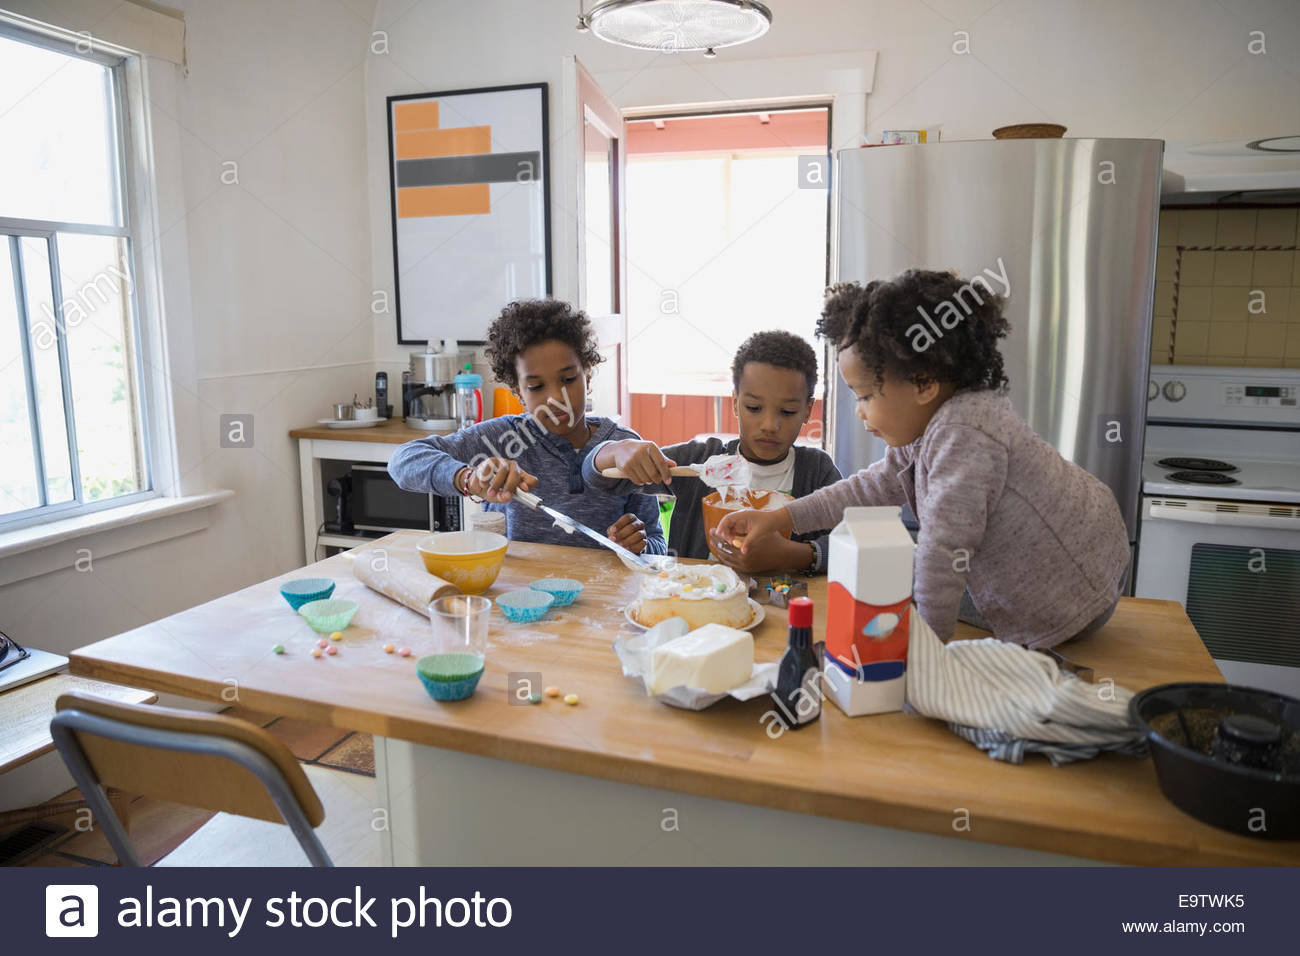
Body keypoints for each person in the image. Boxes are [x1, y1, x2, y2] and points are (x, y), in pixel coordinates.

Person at [716, 271, 1130, 649]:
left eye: (865, 395)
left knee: (915, 595)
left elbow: (943, 553)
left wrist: (923, 656)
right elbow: (871, 486)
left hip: (1072, 598)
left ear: (924, 383)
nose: (859, 411)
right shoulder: (929, 428)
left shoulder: (966, 434)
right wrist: (780, 519)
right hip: (1047, 575)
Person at [389, 299, 666, 554]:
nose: (556, 398)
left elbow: (657, 545)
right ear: (518, 392)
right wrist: (469, 478)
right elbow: (403, 461)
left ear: (588, 375)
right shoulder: (501, 438)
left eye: (568, 379)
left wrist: (637, 548)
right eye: (536, 386)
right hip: (519, 600)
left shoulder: (624, 448)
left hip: (600, 599)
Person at [582, 330, 841, 574]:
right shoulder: (699, 461)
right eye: (754, 407)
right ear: (736, 403)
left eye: (787, 412)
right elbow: (598, 478)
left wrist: (793, 554)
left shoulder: (816, 472)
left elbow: (853, 541)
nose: (769, 425)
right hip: (696, 602)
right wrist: (615, 451)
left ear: (808, 410)